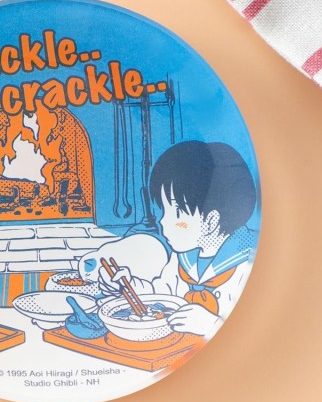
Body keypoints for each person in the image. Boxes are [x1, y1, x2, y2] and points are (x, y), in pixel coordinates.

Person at [100, 141, 257, 338]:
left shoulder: (249, 262)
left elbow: (256, 325)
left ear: (211, 222)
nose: (162, 221)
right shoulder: (183, 257)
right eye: (163, 210)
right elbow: (160, 295)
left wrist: (212, 324)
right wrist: (128, 285)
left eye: (176, 214)